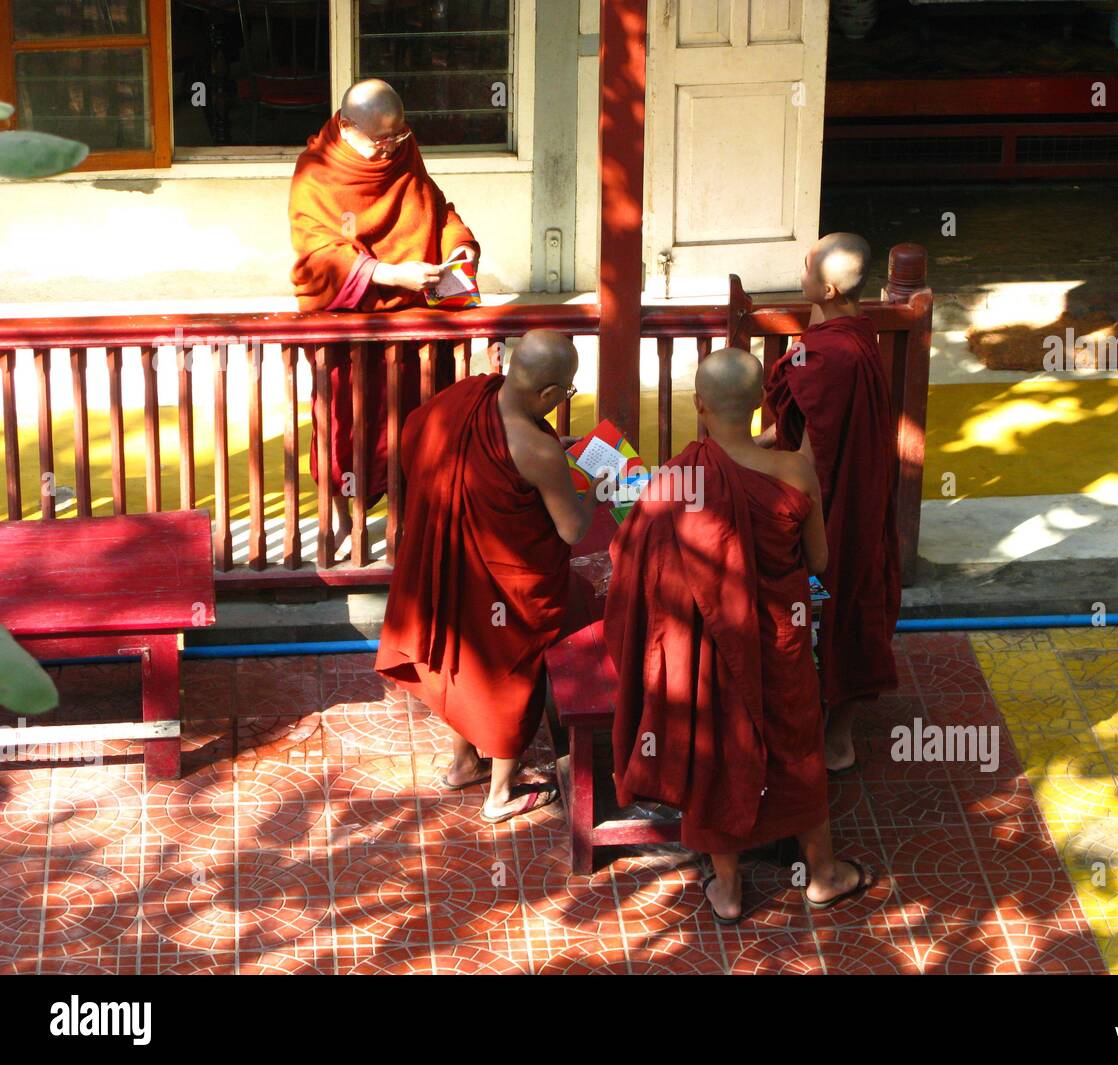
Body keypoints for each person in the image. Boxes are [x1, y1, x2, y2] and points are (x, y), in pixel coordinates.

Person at [606, 348, 872, 922]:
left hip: (704, 647)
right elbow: (819, 559)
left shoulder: (677, 477)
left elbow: (628, 558)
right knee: (798, 744)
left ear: (698, 405)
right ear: (760, 404)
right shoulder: (797, 470)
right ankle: (822, 874)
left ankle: (726, 889)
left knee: (715, 745)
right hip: (781, 637)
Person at [375, 330, 606, 824]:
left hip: (451, 561)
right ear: (548, 395)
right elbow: (571, 530)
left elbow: (416, 436)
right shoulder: (534, 449)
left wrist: (548, 458)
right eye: (566, 392)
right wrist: (594, 488)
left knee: (464, 658)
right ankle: (500, 793)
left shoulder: (466, 396)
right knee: (508, 670)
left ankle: (463, 763)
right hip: (508, 581)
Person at [289, 78, 479, 554]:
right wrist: (390, 274)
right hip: (350, 326)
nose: (390, 149)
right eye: (380, 141)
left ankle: (408, 527)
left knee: (419, 428)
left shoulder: (402, 152)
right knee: (342, 433)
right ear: (347, 127)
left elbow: (434, 207)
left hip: (415, 326)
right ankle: (335, 523)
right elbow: (318, 252)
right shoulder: (317, 172)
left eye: (399, 138)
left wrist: (460, 248)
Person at [760, 233, 902, 774]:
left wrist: (753, 475)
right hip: (856, 487)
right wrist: (753, 446)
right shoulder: (845, 331)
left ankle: (835, 736)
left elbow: (809, 456)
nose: (799, 272)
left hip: (835, 500)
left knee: (840, 598)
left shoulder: (834, 353)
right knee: (847, 595)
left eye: (806, 266)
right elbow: (797, 422)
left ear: (829, 285)